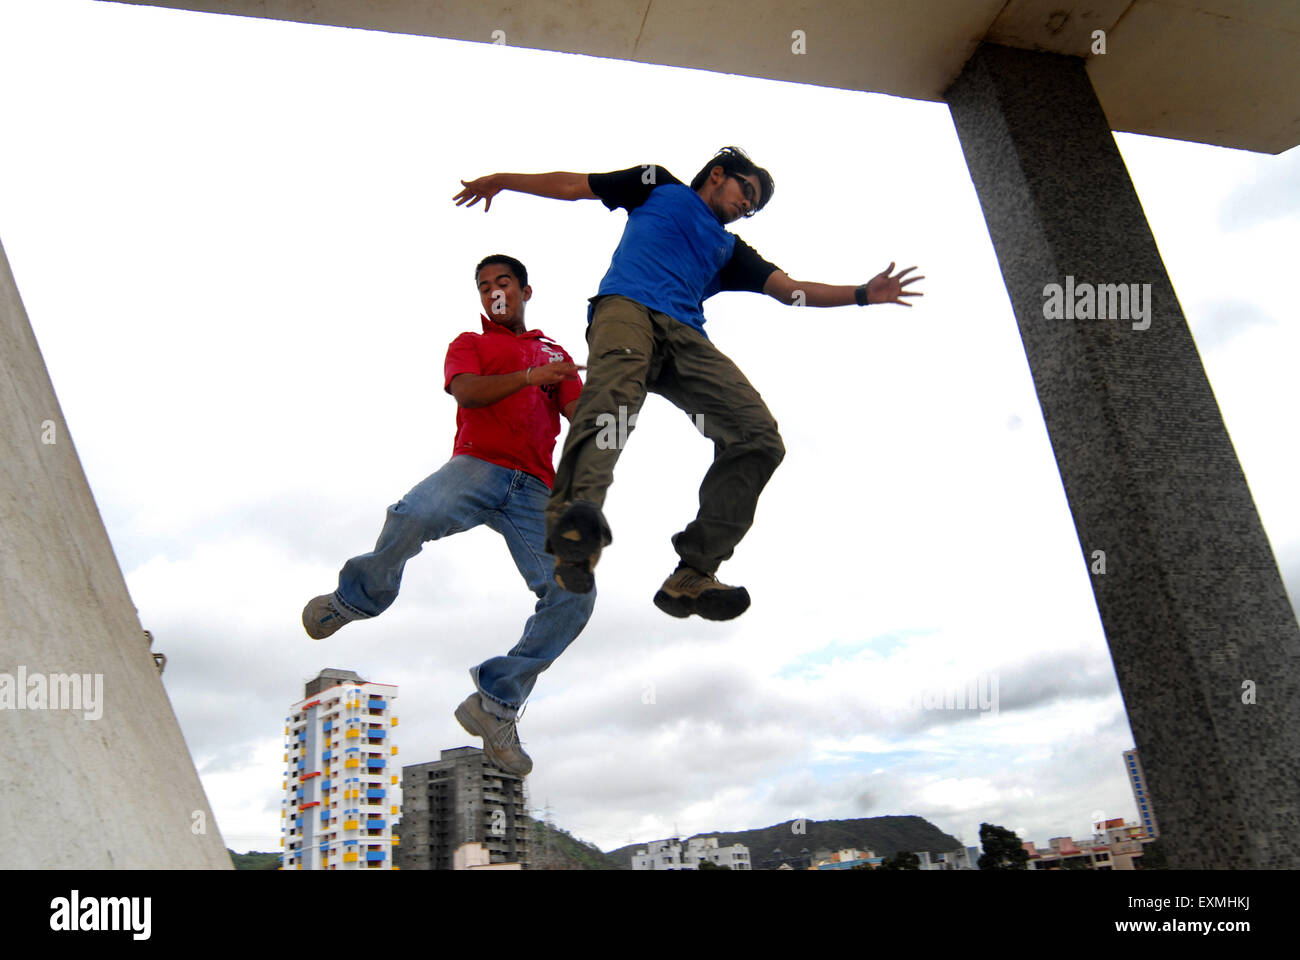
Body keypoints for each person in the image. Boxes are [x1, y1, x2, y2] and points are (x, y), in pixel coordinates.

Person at [453, 148, 923, 621]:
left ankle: (693, 573)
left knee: (756, 437)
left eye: (755, 206)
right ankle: (575, 524)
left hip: (685, 341)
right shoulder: (655, 183)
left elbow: (791, 291)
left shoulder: (730, 249)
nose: (748, 208)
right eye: (747, 192)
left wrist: (863, 294)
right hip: (627, 312)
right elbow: (575, 185)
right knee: (615, 406)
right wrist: (504, 179)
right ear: (718, 175)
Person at [301, 254, 591, 777]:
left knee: (576, 593)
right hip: (478, 464)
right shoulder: (471, 344)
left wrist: (617, 389)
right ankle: (355, 599)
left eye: (504, 282)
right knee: (411, 514)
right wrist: (530, 376)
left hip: (536, 488)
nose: (494, 292)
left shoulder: (556, 353)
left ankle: (496, 704)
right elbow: (466, 392)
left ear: (526, 291)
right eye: (484, 287)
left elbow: (584, 418)